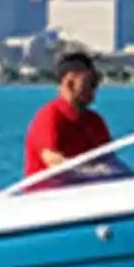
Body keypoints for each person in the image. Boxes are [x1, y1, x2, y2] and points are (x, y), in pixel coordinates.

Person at [23, 52, 117, 184]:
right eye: (90, 83)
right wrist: (93, 173)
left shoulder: (94, 121)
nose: (94, 88)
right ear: (69, 82)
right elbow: (53, 160)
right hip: (51, 192)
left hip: (88, 190)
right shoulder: (50, 116)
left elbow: (109, 159)